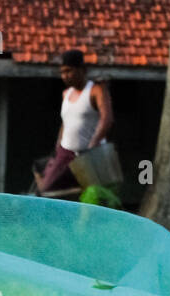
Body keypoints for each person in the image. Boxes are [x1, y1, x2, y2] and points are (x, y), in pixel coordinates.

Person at [30, 49, 114, 196]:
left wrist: (92, 145)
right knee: (43, 185)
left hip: (88, 155)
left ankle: (84, 189)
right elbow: (65, 122)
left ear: (83, 70)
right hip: (65, 153)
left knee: (93, 193)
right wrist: (58, 146)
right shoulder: (66, 94)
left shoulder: (96, 90)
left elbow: (107, 119)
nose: (65, 76)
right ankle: (79, 189)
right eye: (62, 72)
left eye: (69, 71)